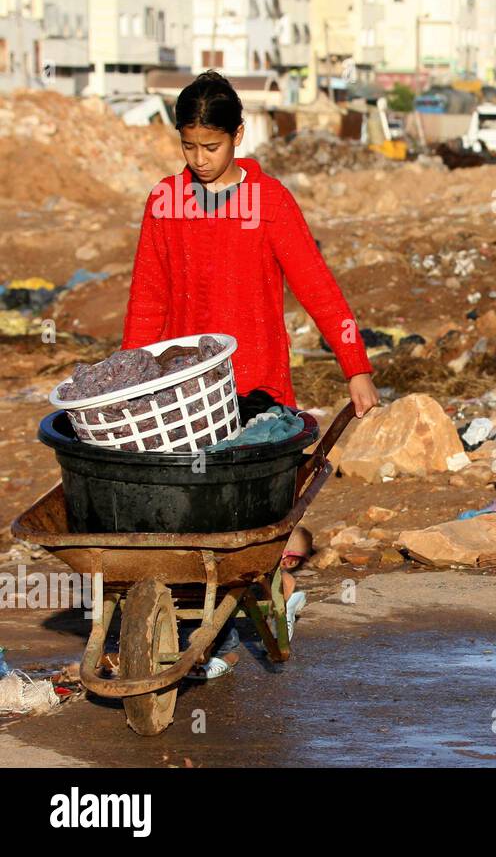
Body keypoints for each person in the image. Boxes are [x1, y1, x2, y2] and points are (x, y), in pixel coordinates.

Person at [123, 69, 381, 679]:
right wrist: (131, 381)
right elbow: (147, 300)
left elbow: (317, 286)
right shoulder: (166, 202)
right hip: (183, 393)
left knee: (242, 518)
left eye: (210, 146)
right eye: (188, 146)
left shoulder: (269, 203)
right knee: (188, 516)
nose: (199, 159)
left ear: (238, 136)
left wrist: (356, 367)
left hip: (255, 391)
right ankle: (196, 629)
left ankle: (256, 601)